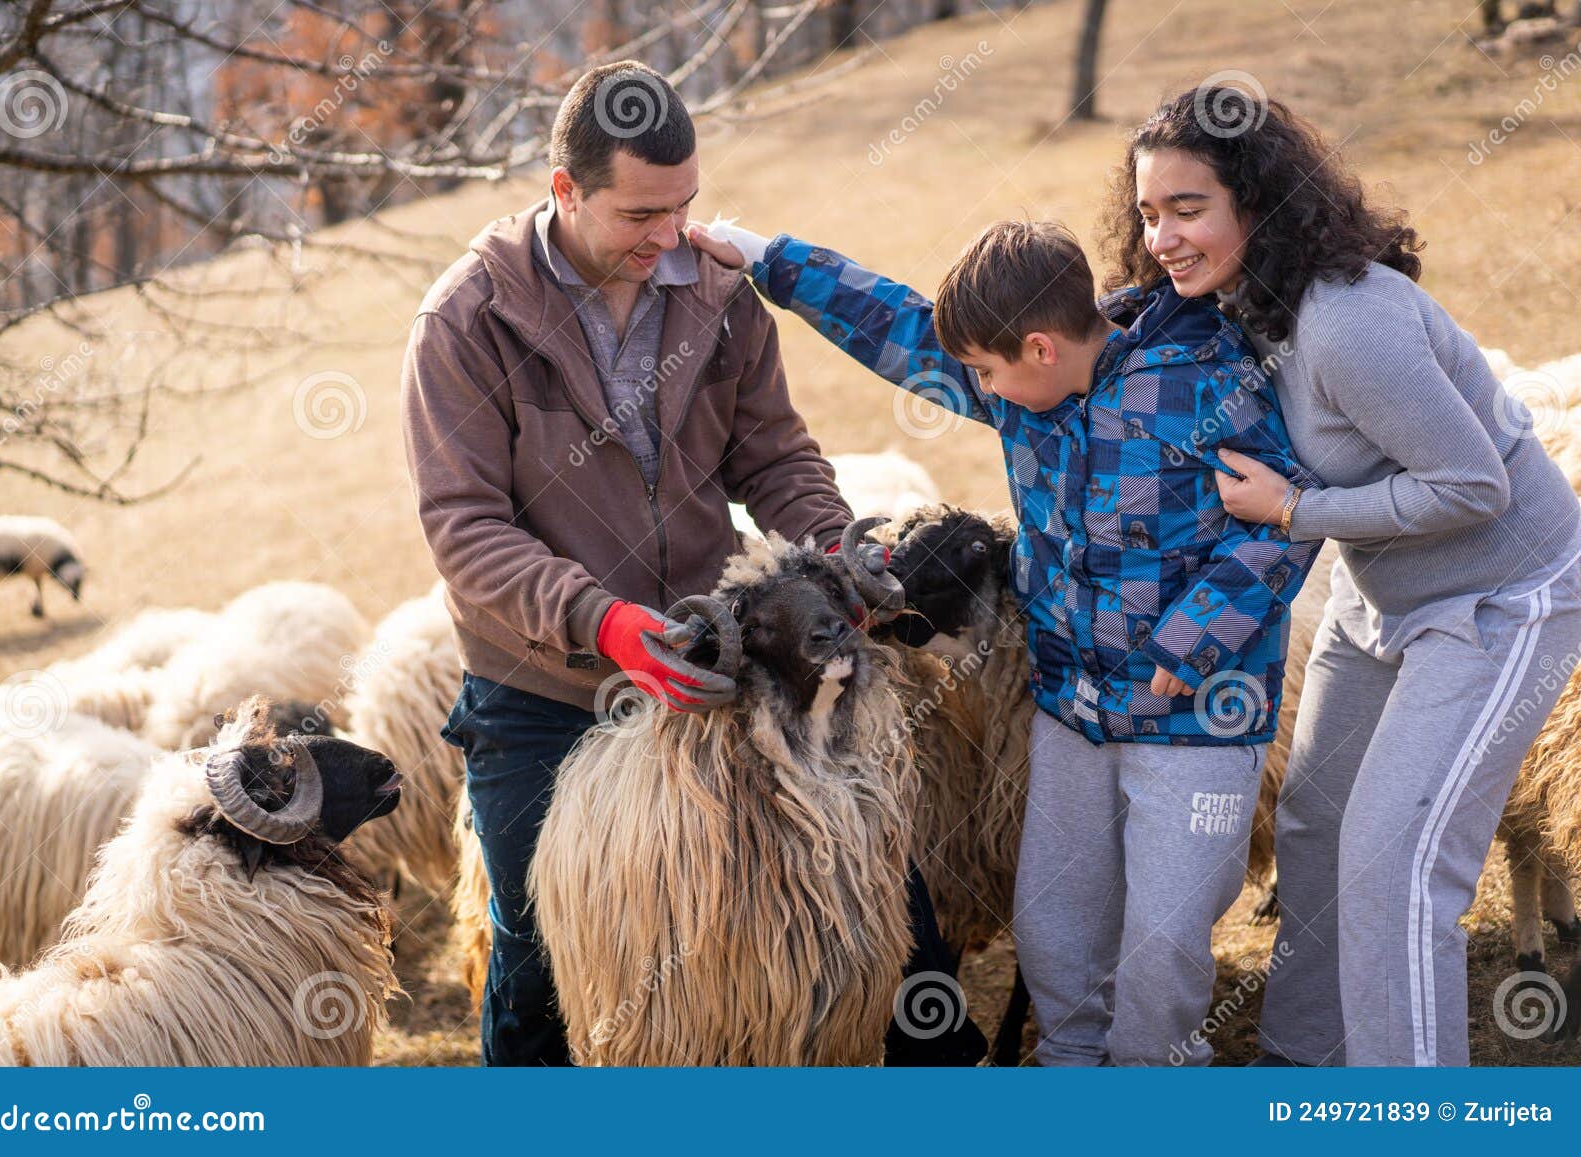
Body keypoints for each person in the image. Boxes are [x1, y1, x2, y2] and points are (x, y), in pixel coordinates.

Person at [400, 60, 982, 1067]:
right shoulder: (465, 321)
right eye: (640, 214)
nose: (669, 238)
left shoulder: (717, 293)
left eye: (683, 207)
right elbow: (464, 527)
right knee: (542, 948)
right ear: (564, 192)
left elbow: (776, 457)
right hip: (546, 686)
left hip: (713, 664)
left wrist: (838, 550)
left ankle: (939, 1080)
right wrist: (601, 620)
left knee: (875, 892)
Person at [690, 215, 1321, 1064]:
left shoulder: (1209, 383)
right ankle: (1065, 1067)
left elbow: (1285, 522)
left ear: (1039, 349)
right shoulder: (1023, 387)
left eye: (984, 371)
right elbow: (900, 328)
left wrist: (1193, 638)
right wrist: (770, 261)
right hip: (1070, 708)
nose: (973, 385)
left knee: (1163, 945)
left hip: (1195, 719)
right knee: (1056, 930)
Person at [1101, 84, 1581, 1066]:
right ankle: (1305, 1063)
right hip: (1377, 590)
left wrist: (1292, 510)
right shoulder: (1235, 303)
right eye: (1149, 213)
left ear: (1258, 203)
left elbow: (1472, 485)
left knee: (1395, 868)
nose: (1161, 236)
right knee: (1315, 827)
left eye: (1187, 209)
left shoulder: (1343, 319)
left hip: (1496, 598)